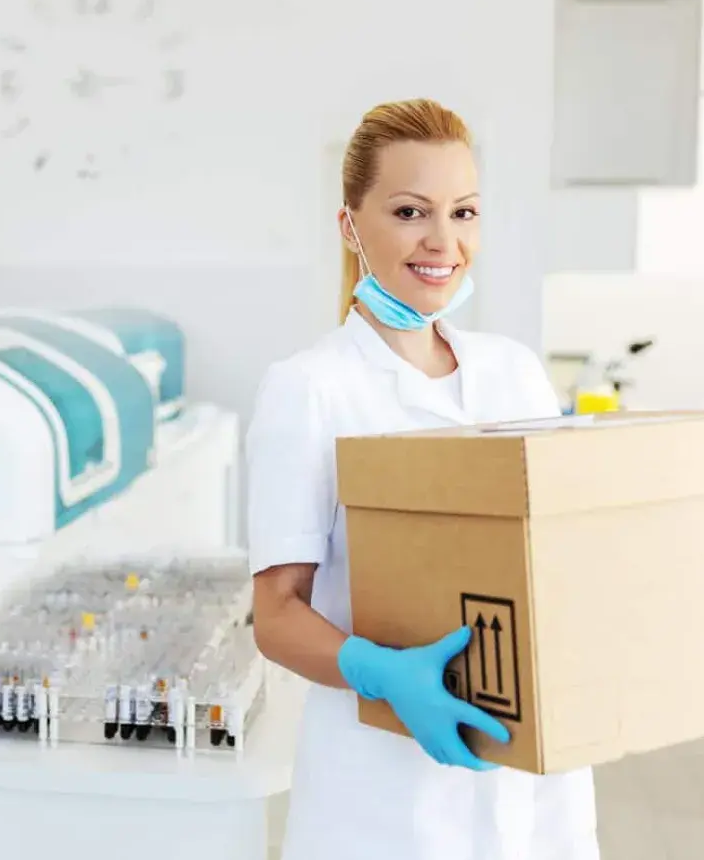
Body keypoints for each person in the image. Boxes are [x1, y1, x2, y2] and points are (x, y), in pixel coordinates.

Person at [247, 98, 600, 859]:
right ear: (350, 226)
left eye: (464, 212)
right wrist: (381, 674)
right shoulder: (309, 388)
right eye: (411, 211)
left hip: (534, 776)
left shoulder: (514, 371)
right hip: (381, 794)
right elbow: (275, 615)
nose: (444, 241)